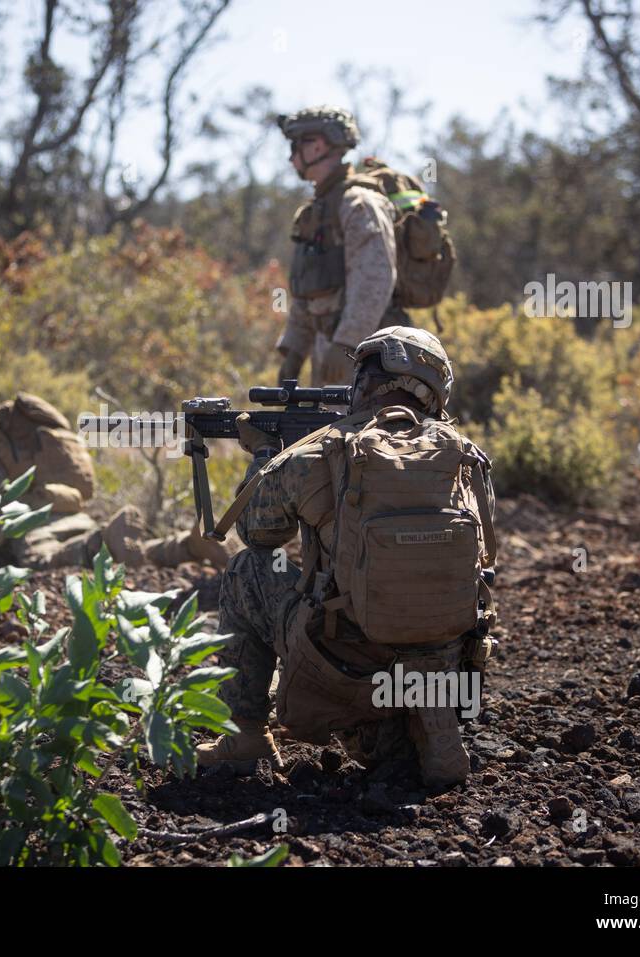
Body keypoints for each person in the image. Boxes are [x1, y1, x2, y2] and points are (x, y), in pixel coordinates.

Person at [198, 327, 497, 789]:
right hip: (444, 676)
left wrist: (262, 453)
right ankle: (425, 720)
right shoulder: (465, 460)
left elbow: (255, 532)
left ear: (366, 382)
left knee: (245, 570)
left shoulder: (321, 449)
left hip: (345, 670)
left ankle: (244, 737)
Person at [0, 393, 236, 569]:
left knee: (47, 560)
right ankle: (187, 544)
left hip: (31, 526)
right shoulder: (4, 450)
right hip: (71, 513)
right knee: (125, 554)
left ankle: (105, 539)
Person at [275, 106, 407, 389]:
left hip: (375, 357)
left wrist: (347, 342)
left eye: (295, 146)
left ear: (317, 146)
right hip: (331, 350)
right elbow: (308, 292)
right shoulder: (316, 211)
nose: (290, 156)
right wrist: (295, 351)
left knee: (369, 434)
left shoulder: (359, 204)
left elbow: (375, 279)